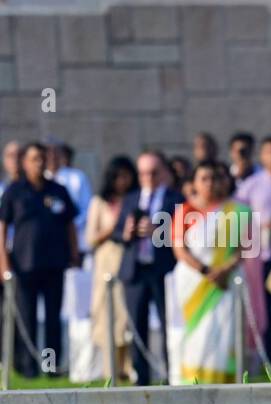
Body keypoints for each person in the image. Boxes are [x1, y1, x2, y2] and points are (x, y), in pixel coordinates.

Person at [0, 143, 81, 377]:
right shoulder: (15, 191)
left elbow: (70, 224)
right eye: (34, 158)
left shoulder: (58, 190)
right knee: (27, 318)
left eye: (42, 158)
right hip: (24, 265)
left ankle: (52, 366)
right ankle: (27, 368)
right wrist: (4, 264)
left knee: (54, 318)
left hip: (54, 263)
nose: (40, 163)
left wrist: (74, 254)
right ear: (25, 163)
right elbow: (3, 228)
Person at [170, 161, 254, 383]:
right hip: (193, 282)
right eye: (204, 178)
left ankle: (224, 382)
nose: (210, 183)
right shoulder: (185, 211)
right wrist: (206, 271)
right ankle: (191, 381)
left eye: (214, 178)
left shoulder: (238, 211)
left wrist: (223, 270)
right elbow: (179, 248)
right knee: (195, 335)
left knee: (223, 332)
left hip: (225, 281)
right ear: (194, 183)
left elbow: (245, 249)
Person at [115, 151, 184, 384]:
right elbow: (117, 233)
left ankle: (169, 374)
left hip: (163, 269)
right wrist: (126, 232)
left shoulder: (176, 199)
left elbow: (184, 232)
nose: (148, 178)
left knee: (168, 324)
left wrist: (159, 231)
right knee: (137, 326)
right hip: (135, 270)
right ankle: (140, 377)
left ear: (164, 172)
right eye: (143, 173)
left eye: (153, 173)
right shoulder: (132, 198)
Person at [86, 156, 138, 382]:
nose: (122, 181)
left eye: (127, 176)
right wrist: (115, 225)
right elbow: (91, 238)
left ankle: (127, 367)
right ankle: (110, 369)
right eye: (119, 176)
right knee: (108, 315)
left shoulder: (136, 200)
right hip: (106, 264)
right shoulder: (99, 202)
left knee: (127, 315)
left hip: (128, 261)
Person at [234, 135, 271, 361]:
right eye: (269, 151)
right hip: (258, 256)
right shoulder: (250, 186)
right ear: (262, 156)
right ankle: (264, 354)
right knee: (260, 307)